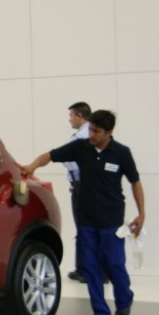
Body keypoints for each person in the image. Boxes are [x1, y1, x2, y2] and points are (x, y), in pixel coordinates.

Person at [22, 110, 145, 315]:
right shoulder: (81, 148)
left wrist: (141, 214)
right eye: (90, 129)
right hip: (86, 220)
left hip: (112, 221)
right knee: (89, 267)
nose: (91, 134)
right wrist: (32, 166)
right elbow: (50, 155)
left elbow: (135, 182)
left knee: (114, 265)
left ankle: (125, 301)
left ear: (109, 132)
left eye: (96, 131)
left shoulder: (122, 153)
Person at [64, 102, 91, 283]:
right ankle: (82, 268)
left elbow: (71, 160)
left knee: (86, 229)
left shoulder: (82, 136)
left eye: (71, 115)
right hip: (83, 186)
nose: (69, 119)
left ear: (80, 116)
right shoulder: (89, 134)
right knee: (83, 229)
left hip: (82, 186)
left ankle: (88, 270)